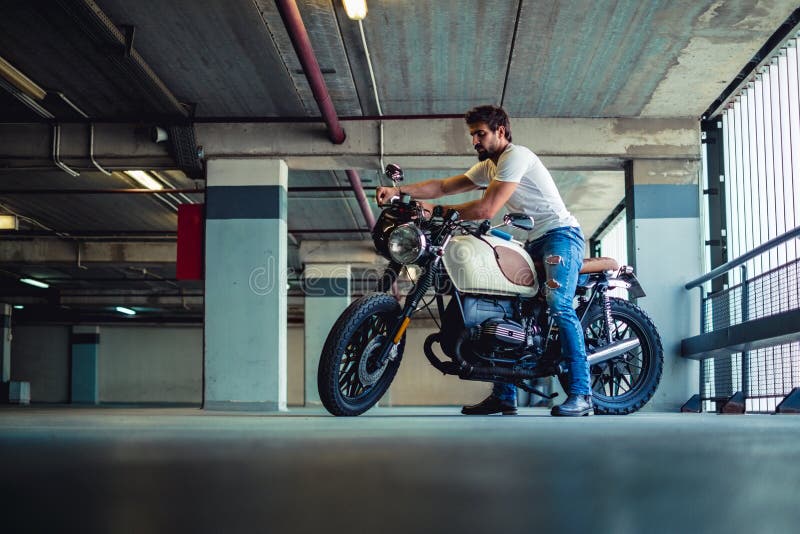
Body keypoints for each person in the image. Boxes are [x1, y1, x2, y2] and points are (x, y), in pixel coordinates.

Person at [375, 104, 592, 417]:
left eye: (480, 133)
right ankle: (504, 396)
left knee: (559, 304)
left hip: (561, 235)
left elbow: (487, 208)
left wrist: (436, 211)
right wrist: (399, 192)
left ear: (500, 132)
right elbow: (443, 186)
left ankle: (582, 393)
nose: (475, 140)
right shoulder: (490, 166)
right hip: (531, 241)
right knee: (503, 304)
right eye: (472, 134)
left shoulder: (516, 156)